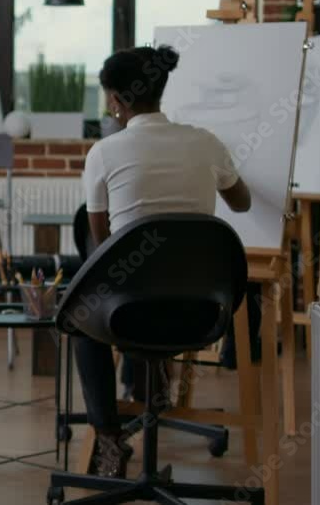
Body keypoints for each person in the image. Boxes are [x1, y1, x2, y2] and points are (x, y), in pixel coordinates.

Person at [77, 44, 253, 477]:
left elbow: (102, 247)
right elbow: (243, 203)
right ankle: (152, 396)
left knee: (82, 315)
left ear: (117, 101)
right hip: (204, 314)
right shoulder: (206, 142)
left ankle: (109, 440)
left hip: (127, 314)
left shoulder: (104, 153)